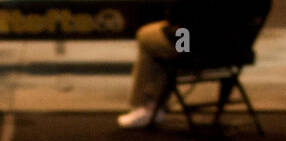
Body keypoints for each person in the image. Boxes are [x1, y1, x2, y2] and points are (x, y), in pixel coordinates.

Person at [116, 1, 271, 129]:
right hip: (236, 48)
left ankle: (144, 105)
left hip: (193, 46)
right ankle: (154, 102)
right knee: (169, 34)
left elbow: (178, 16)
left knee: (146, 35)